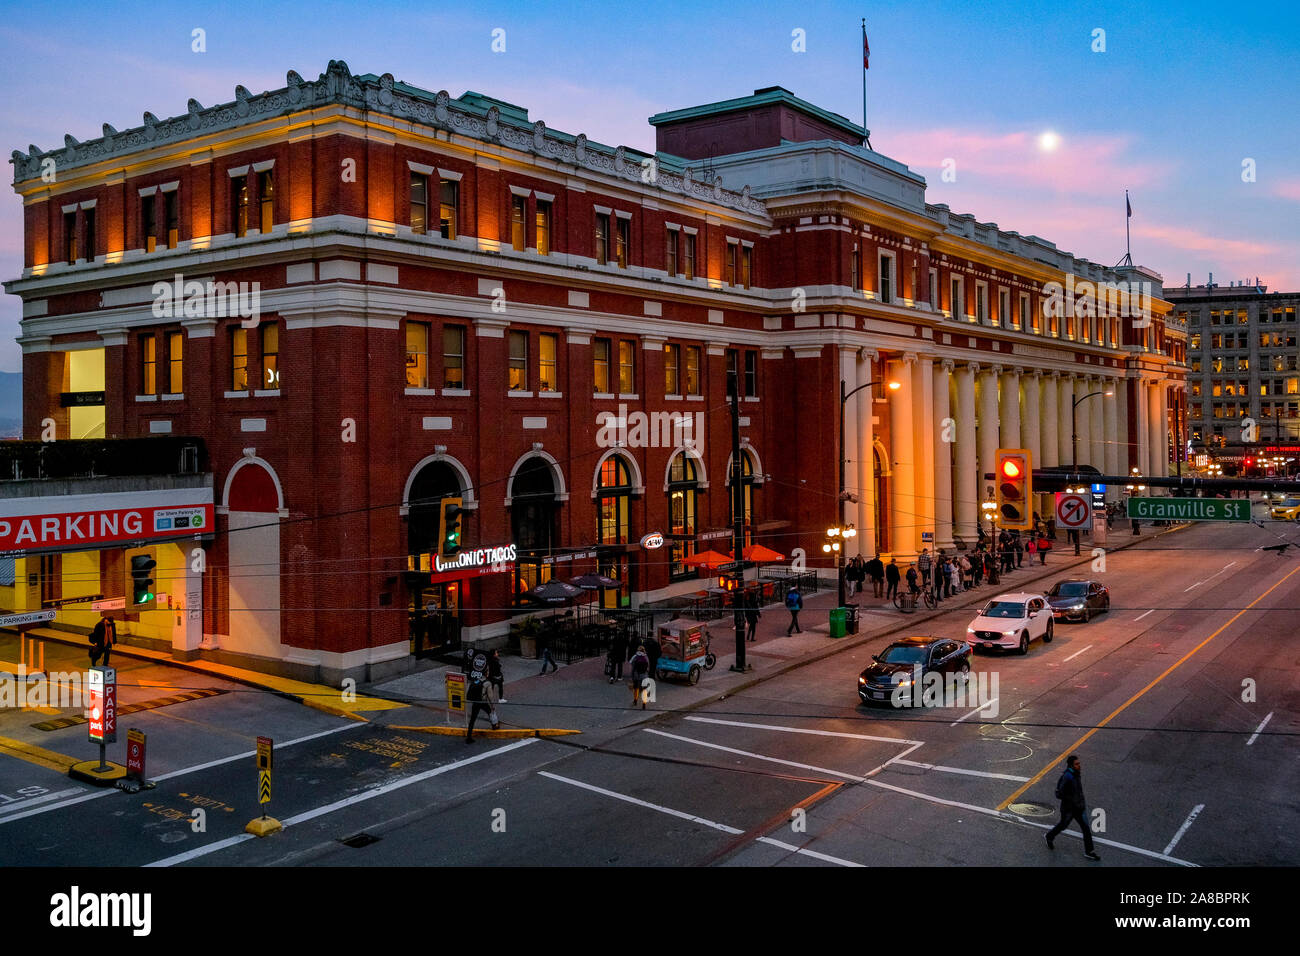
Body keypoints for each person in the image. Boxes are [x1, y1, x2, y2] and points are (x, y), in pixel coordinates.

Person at [1045, 754, 1101, 860]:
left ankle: (1089, 851)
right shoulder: (1068, 777)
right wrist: (1070, 799)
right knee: (1063, 825)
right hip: (1069, 809)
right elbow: (1059, 793)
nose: (1079, 765)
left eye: (1079, 763)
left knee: (1086, 829)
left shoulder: (1076, 774)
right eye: (1077, 764)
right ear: (1071, 765)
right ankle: (1049, 836)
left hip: (1079, 807)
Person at [465, 649, 500, 743]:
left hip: (475, 701)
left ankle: (469, 736)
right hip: (481, 701)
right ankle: (494, 725)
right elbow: (490, 697)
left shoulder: (477, 679)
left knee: (473, 718)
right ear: (487, 673)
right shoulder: (487, 683)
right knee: (490, 711)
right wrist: (493, 706)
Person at [629, 644, 650, 708]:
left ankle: (635, 700)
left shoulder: (635, 657)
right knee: (644, 690)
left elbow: (632, 667)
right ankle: (644, 703)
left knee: (636, 688)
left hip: (636, 675)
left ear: (638, 650)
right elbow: (648, 667)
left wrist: (632, 676)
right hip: (644, 676)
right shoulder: (646, 657)